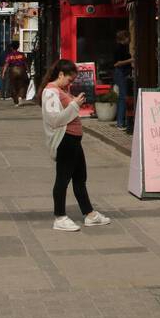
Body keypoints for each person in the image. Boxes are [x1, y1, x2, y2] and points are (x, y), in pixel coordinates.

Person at [40, 59, 111, 232]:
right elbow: (54, 119)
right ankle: (60, 216)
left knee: (80, 177)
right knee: (63, 178)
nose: (70, 83)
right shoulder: (51, 92)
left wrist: (73, 102)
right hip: (65, 140)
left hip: (74, 139)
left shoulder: (61, 90)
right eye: (69, 80)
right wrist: (74, 104)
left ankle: (89, 214)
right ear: (61, 74)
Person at [112, 29, 135, 132]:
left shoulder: (123, 48)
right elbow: (116, 63)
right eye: (128, 38)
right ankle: (120, 123)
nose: (130, 40)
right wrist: (131, 60)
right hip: (120, 72)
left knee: (124, 97)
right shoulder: (118, 48)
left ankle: (123, 121)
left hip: (123, 72)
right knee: (122, 97)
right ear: (124, 38)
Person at [1, 40, 30, 106]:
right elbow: (26, 63)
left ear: (11, 47)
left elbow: (6, 64)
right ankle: (20, 97)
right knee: (22, 85)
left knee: (13, 86)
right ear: (18, 46)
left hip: (13, 70)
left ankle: (16, 101)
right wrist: (28, 71)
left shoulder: (10, 55)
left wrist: (3, 73)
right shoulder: (21, 54)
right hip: (21, 70)